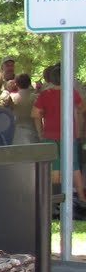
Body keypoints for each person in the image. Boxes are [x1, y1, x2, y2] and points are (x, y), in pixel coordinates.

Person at [31, 64, 86, 203]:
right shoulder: (71, 93)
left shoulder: (45, 95)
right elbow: (82, 107)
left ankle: (55, 199)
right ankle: (81, 197)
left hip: (49, 134)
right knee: (74, 167)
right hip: (69, 134)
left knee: (54, 167)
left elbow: (35, 114)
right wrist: (78, 121)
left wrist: (40, 131)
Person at [5, 73, 39, 144]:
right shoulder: (36, 97)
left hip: (17, 131)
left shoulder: (12, 97)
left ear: (16, 84)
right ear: (29, 83)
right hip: (32, 129)